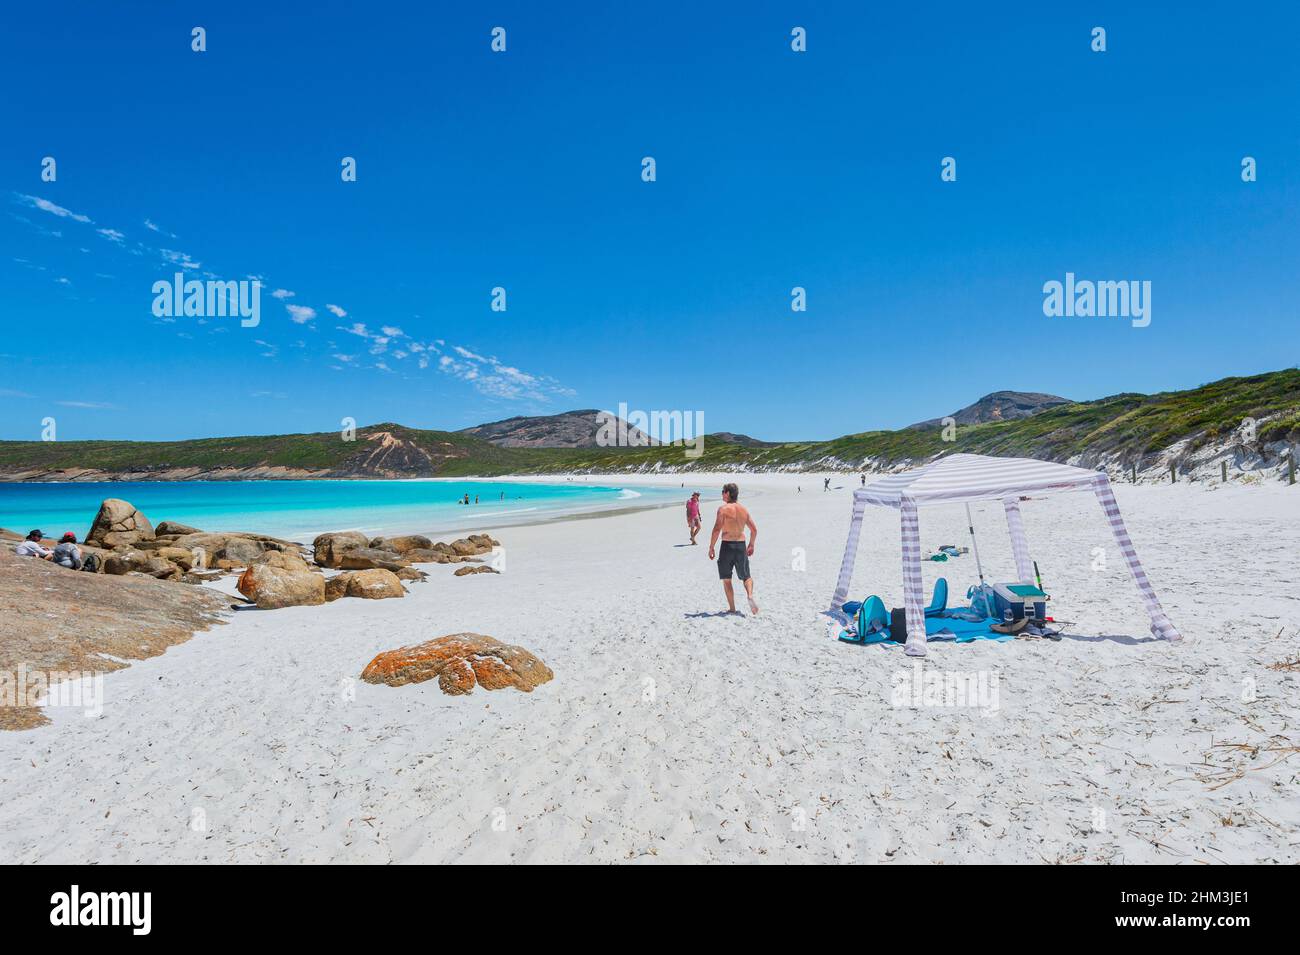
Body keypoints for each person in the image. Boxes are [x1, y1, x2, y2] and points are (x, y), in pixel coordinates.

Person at [708, 483, 758, 615]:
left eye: (723, 491)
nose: (722, 493)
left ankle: (732, 608)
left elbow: (717, 529)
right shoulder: (744, 510)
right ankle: (750, 595)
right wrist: (751, 544)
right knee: (746, 576)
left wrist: (711, 547)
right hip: (741, 546)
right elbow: (754, 530)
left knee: (726, 578)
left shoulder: (723, 509)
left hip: (727, 546)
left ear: (728, 493)